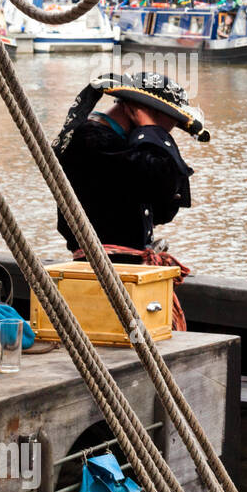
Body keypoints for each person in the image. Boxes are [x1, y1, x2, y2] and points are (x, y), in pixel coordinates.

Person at [51, 73, 210, 328]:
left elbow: (165, 205)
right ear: (140, 111)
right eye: (164, 124)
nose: (166, 132)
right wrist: (150, 131)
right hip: (105, 273)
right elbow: (157, 173)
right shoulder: (92, 140)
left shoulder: (123, 144)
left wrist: (149, 132)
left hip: (127, 272)